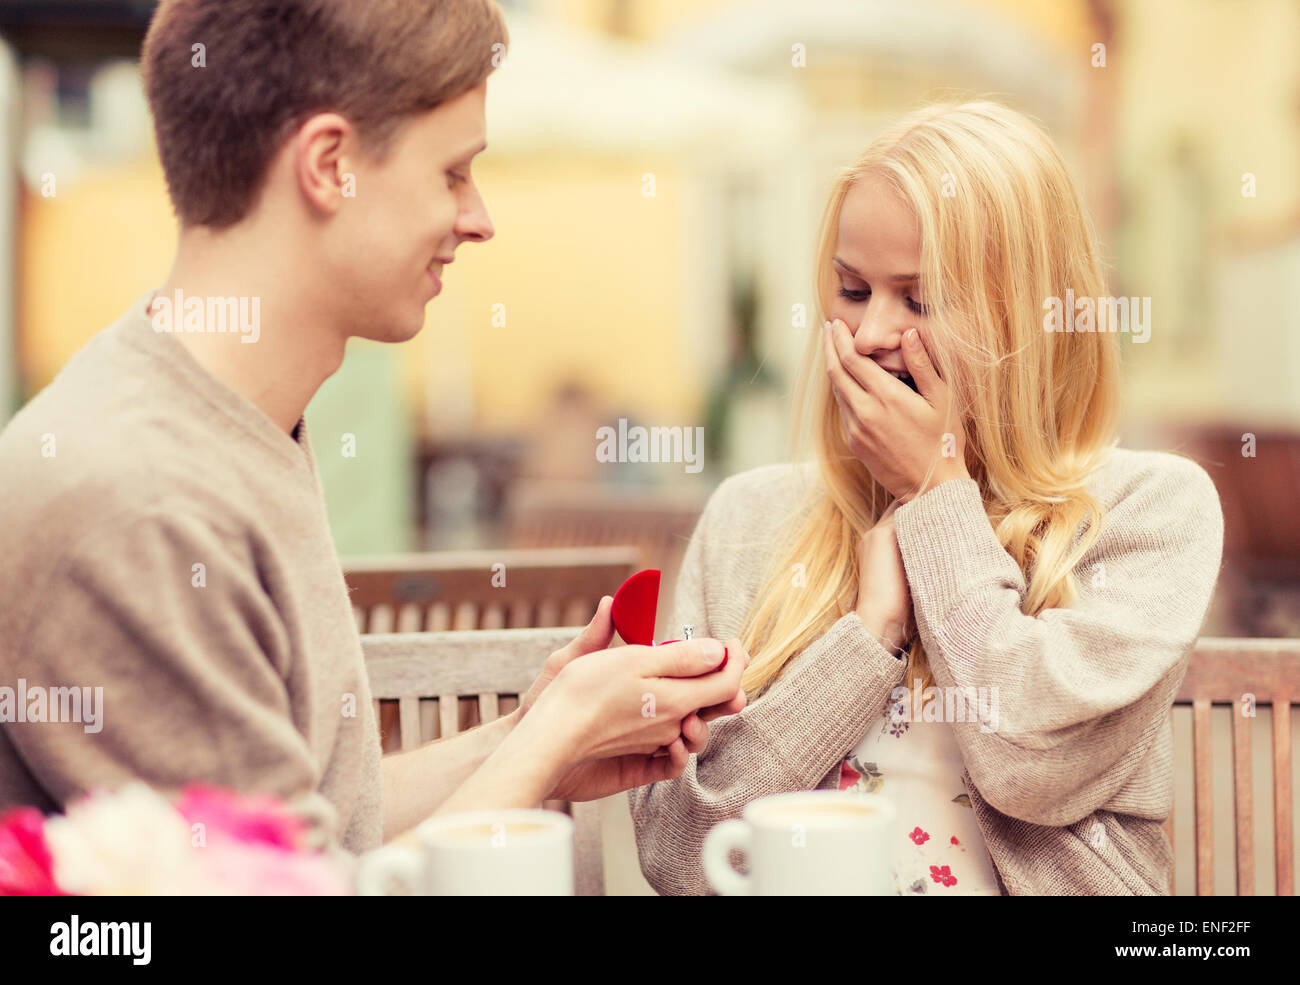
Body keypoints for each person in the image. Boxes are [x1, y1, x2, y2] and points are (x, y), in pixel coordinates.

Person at [0, 0, 748, 857]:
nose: (479, 218)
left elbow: (322, 831)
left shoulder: (234, 423)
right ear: (330, 165)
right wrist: (559, 736)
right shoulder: (135, 502)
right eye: (454, 172)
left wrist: (529, 737)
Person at [628, 101, 1224, 895]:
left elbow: (1025, 761)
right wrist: (867, 639)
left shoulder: (1153, 512)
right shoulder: (749, 519)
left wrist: (937, 497)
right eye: (851, 288)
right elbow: (678, 854)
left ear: (1031, 319)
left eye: (920, 298)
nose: (872, 331)